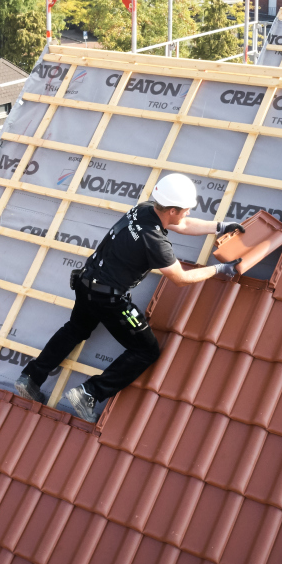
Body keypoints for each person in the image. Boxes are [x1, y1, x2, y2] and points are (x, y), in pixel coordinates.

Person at [15, 173, 245, 420]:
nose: (188, 213)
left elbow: (184, 225)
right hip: (109, 299)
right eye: (186, 210)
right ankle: (89, 393)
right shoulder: (154, 240)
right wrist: (220, 268)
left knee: (76, 329)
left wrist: (220, 227)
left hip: (86, 281)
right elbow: (180, 278)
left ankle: (31, 377)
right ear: (172, 210)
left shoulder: (146, 208)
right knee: (146, 351)